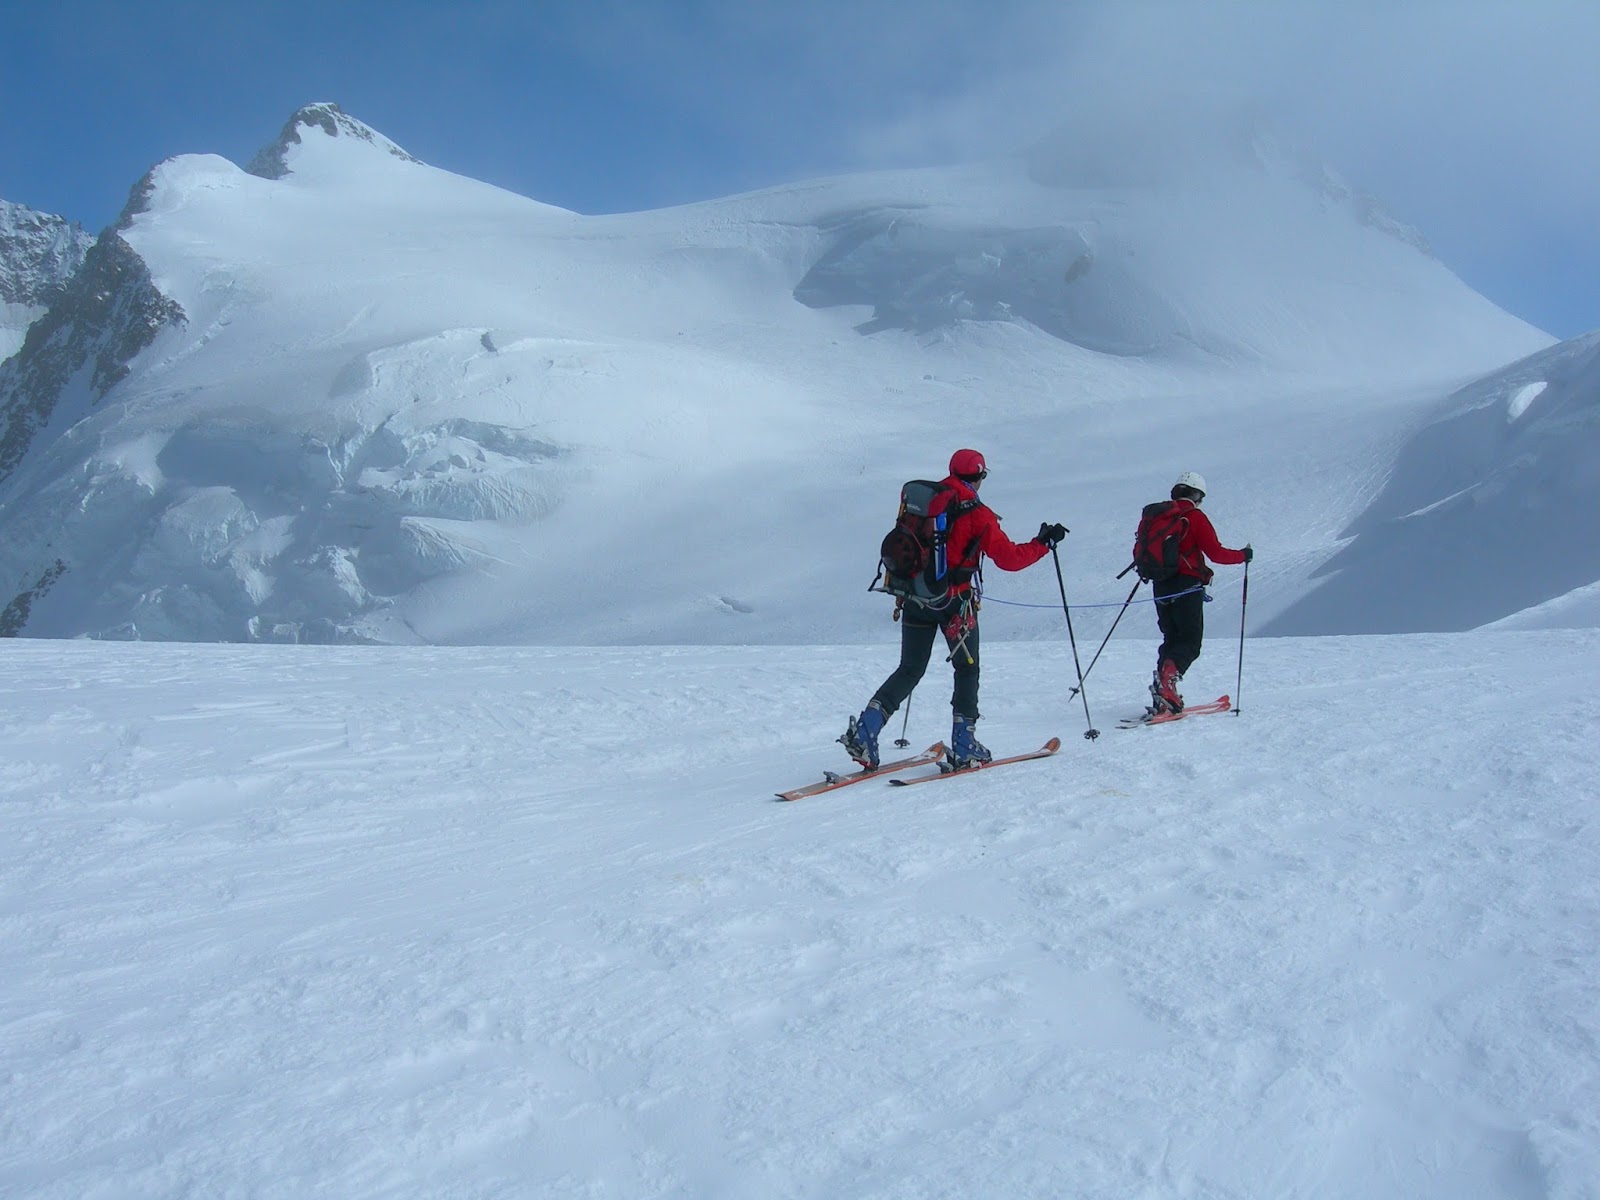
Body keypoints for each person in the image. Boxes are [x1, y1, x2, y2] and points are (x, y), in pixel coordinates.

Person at [841, 448, 1067, 770]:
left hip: (916, 597)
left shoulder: (923, 504)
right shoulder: (978, 513)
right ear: (979, 476)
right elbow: (1010, 560)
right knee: (966, 668)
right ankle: (965, 743)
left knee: (909, 669)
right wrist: (1043, 543)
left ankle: (866, 730)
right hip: (954, 605)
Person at [1144, 471, 1252, 714]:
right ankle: (1168, 686)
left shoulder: (1159, 517)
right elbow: (1216, 553)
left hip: (1160, 586)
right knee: (1190, 642)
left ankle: (1162, 692)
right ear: (1196, 494)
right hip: (1187, 586)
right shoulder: (1193, 517)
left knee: (1171, 640)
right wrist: (1243, 556)